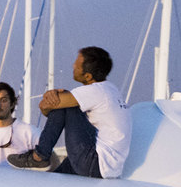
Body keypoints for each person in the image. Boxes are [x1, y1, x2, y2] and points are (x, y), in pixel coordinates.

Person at [8, 46, 132, 178]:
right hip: (106, 167)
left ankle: (39, 156)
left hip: (94, 163)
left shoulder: (95, 91)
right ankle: (44, 161)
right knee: (68, 103)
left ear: (88, 76)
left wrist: (53, 95)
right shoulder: (111, 90)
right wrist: (56, 98)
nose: (73, 65)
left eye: (77, 65)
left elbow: (46, 106)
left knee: (67, 106)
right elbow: (52, 113)